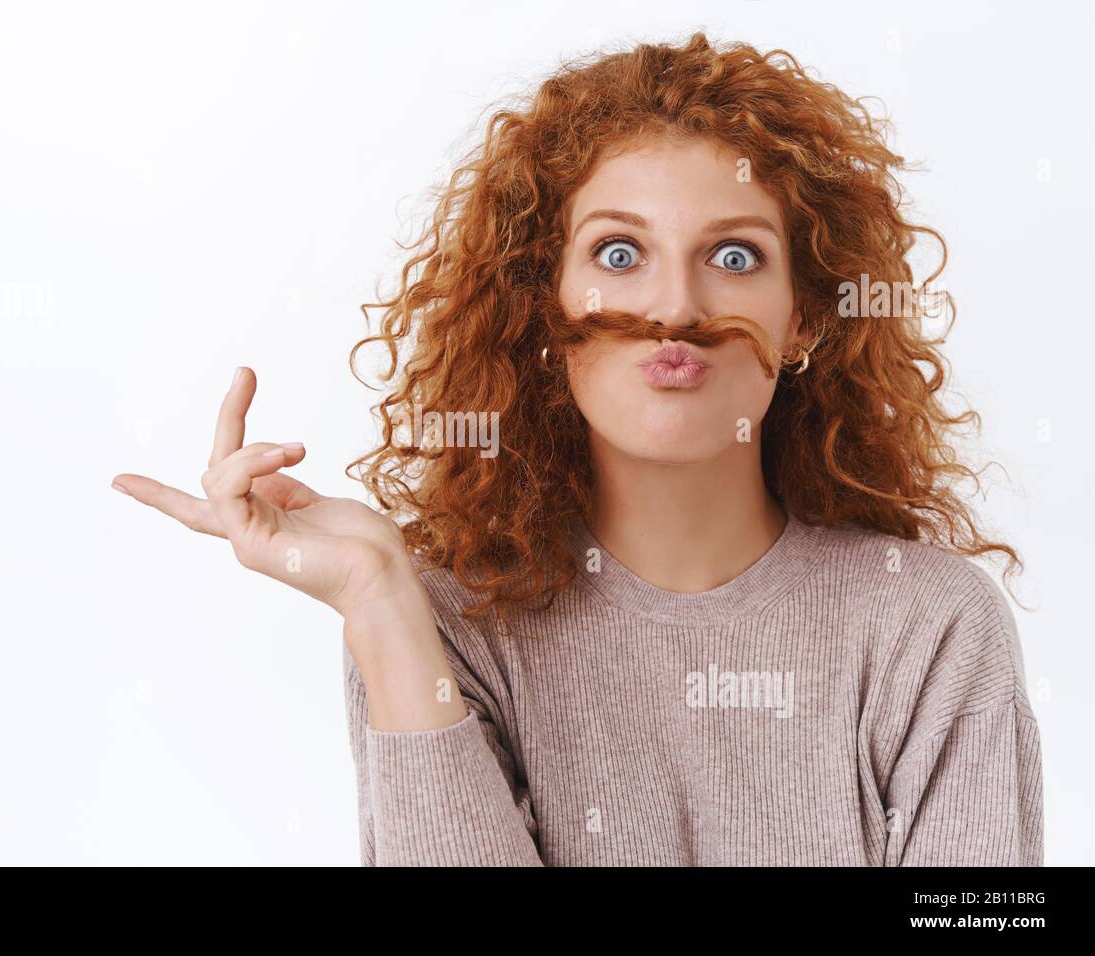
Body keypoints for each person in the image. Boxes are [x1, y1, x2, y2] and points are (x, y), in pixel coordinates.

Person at [111, 33, 1042, 866]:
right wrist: (381, 608)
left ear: (801, 317)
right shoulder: (446, 626)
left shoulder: (933, 629)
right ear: (545, 310)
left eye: (735, 257)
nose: (676, 309)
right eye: (620, 254)